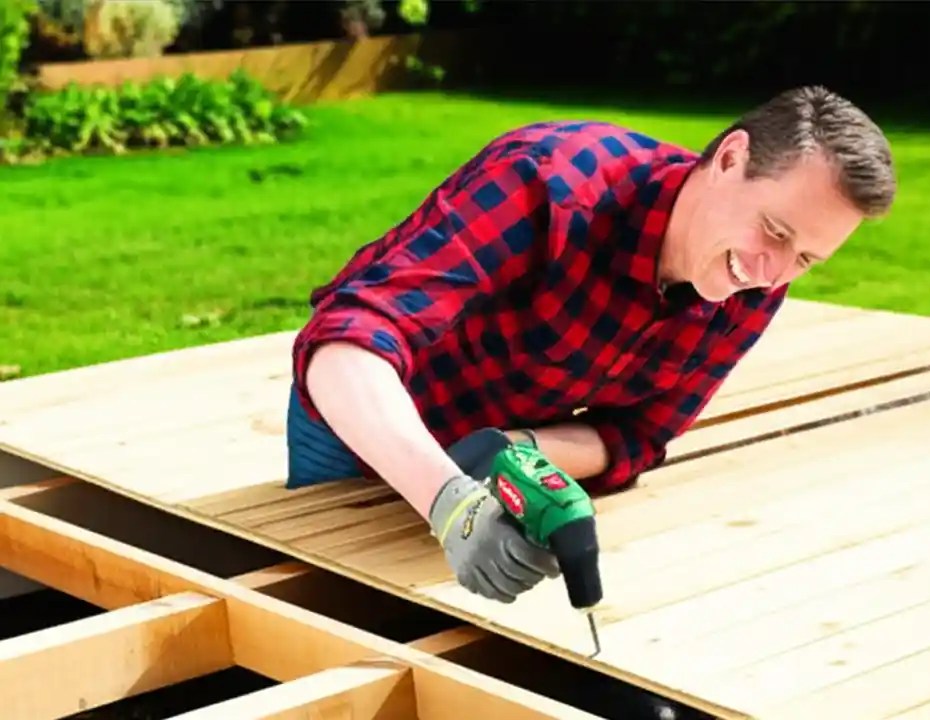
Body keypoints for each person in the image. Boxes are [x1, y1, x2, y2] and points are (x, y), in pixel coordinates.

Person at [284, 85, 896, 604]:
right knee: (322, 617)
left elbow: (636, 435)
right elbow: (346, 340)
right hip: (362, 431)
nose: (770, 271)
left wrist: (509, 454)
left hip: (486, 457)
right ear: (731, 157)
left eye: (805, 258)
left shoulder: (754, 279)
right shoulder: (550, 179)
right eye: (775, 229)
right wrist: (451, 503)